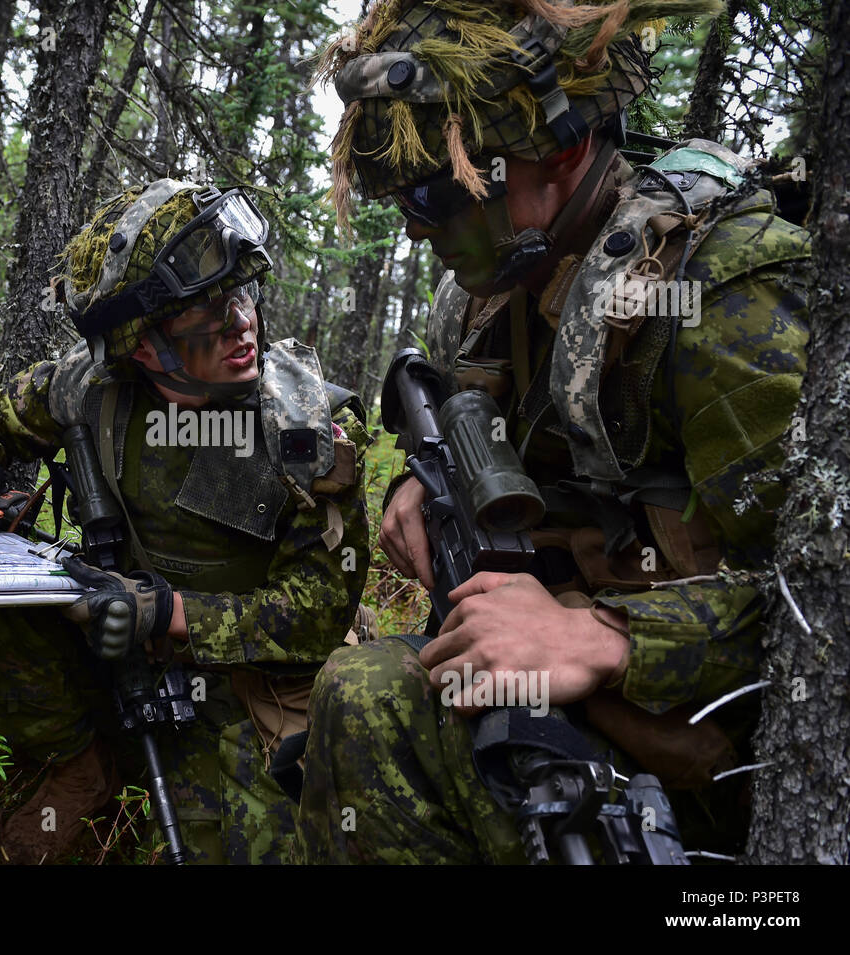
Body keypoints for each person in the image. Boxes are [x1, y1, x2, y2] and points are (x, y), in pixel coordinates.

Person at [297, 0, 810, 863]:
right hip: (577, 695)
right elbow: (482, 431)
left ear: (562, 150)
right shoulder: (505, 283)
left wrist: (606, 638)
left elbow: (819, 588)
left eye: (438, 191)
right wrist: (420, 483)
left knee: (371, 696)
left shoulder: (720, 292)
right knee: (360, 697)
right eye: (399, 199)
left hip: (712, 745)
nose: (417, 226)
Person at [0, 179, 373, 863]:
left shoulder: (303, 430)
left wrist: (167, 613)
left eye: (243, 294)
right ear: (142, 344)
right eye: (209, 312)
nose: (243, 323)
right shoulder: (92, 387)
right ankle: (79, 760)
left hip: (244, 679)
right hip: (116, 641)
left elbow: (315, 613)